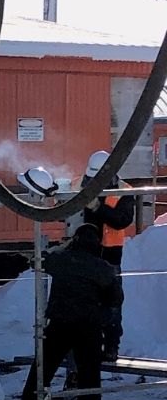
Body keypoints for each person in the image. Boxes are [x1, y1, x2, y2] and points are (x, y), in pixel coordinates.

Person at [14, 223, 120, 400]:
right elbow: (115, 300)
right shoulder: (103, 268)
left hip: (60, 324)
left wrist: (61, 248)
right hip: (89, 327)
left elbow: (38, 260)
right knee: (90, 374)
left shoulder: (62, 260)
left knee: (43, 369)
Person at [80, 149, 135, 361]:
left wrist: (97, 207)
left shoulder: (124, 191)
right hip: (85, 254)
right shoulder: (80, 184)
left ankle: (111, 346)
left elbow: (121, 220)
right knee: (84, 302)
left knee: (111, 304)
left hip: (110, 255)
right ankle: (85, 346)